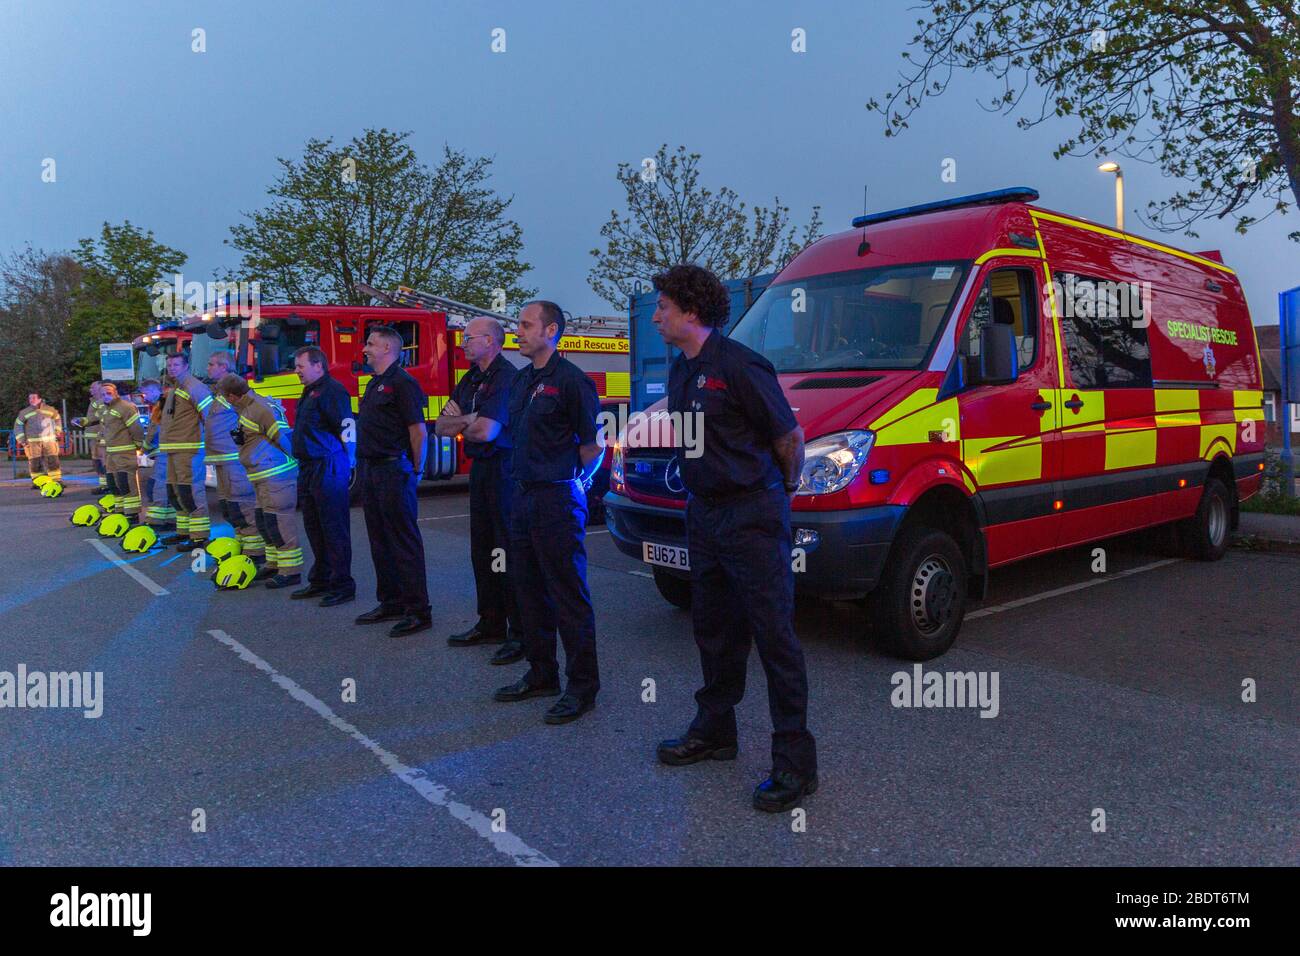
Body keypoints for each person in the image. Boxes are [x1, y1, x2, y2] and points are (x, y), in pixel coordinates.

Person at [650, 264, 818, 812]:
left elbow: (788, 437)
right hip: (705, 516)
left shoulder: (742, 365)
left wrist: (780, 492)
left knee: (774, 638)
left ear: (691, 313)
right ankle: (716, 732)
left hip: (752, 516)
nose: (656, 316)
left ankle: (795, 764)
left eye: (664, 307)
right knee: (714, 631)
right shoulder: (681, 371)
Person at [492, 301, 602, 725]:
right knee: (529, 590)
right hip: (520, 497)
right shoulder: (520, 382)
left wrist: (576, 482)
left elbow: (593, 446)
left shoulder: (572, 382)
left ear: (550, 330)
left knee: (567, 594)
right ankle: (541, 673)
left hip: (555, 500)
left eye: (524, 324)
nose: (517, 331)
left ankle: (582, 687)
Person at [437, 317, 522, 663]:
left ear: (491, 341)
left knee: (507, 553)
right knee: (483, 550)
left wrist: (469, 421)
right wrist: (469, 420)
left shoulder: (507, 377)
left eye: (469, 338)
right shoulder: (471, 378)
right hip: (481, 472)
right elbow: (441, 427)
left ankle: (519, 634)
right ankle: (490, 623)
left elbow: (487, 432)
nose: (463, 343)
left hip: (504, 472)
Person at [353, 325, 431, 637]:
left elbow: (418, 430)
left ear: (387, 349)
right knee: (379, 540)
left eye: (370, 344)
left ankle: (418, 610)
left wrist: (416, 469)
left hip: (392, 470)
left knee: (403, 541)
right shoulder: (375, 384)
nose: (365, 349)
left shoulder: (403, 383)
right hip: (371, 470)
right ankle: (391, 601)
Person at [216, 374, 301, 588]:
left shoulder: (260, 408)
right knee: (265, 522)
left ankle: (290, 571)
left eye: (226, 398)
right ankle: (274, 563)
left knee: (278, 522)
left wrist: (298, 465)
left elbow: (283, 438)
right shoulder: (248, 407)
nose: (226, 402)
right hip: (262, 475)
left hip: (275, 474)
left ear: (233, 396)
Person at [288, 346, 355, 606]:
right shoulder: (310, 391)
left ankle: (342, 585)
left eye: (300, 366)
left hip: (327, 466)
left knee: (334, 528)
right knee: (314, 527)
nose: (296, 371)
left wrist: (348, 462)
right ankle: (321, 580)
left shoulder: (333, 391)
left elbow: (346, 426)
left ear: (318, 365)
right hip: (308, 467)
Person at [204, 352, 265, 567]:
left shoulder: (236, 392)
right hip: (222, 460)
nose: (207, 367)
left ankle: (255, 552)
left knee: (243, 504)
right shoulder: (219, 392)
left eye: (211, 364)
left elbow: (252, 415)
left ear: (224, 367)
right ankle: (241, 543)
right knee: (230, 507)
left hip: (234, 459)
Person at [158, 352, 212, 550]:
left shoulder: (194, 387)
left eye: (176, 365)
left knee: (190, 491)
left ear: (186, 366)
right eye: (170, 365)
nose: (172, 368)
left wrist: (209, 442)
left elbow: (209, 415)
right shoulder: (175, 387)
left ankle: (199, 536)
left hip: (188, 448)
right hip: (173, 448)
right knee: (176, 492)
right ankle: (184, 532)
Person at [96, 382, 145, 525]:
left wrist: (138, 444)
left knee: (126, 483)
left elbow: (136, 429)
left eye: (109, 393)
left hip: (124, 452)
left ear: (116, 393)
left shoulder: (126, 407)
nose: (106, 396)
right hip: (111, 453)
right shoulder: (105, 410)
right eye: (103, 394)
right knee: (113, 483)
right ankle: (120, 510)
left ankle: (132, 514)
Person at [136, 379, 176, 530]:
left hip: (164, 451)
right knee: (167, 484)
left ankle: (156, 521)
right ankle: (171, 519)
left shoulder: (162, 405)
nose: (144, 397)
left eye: (145, 393)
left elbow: (155, 430)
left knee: (158, 484)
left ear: (154, 391)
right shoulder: (163, 404)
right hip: (167, 450)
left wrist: (144, 448)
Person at [14, 392, 63, 482]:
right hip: (32, 443)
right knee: (35, 463)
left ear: (40, 399)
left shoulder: (50, 410)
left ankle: (56, 481)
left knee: (53, 461)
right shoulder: (24, 412)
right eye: (30, 398)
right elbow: (18, 425)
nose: (31, 400)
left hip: (49, 441)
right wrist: (22, 440)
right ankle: (39, 482)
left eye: (33, 398)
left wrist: (57, 432)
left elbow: (57, 419)